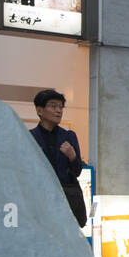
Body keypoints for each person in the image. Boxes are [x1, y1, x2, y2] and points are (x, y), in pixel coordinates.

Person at [30, 89, 87, 228]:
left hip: (66, 200)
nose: (58, 110)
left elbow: (78, 171)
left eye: (61, 107)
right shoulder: (29, 138)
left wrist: (73, 156)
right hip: (40, 199)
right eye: (53, 106)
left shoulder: (69, 136)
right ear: (40, 111)